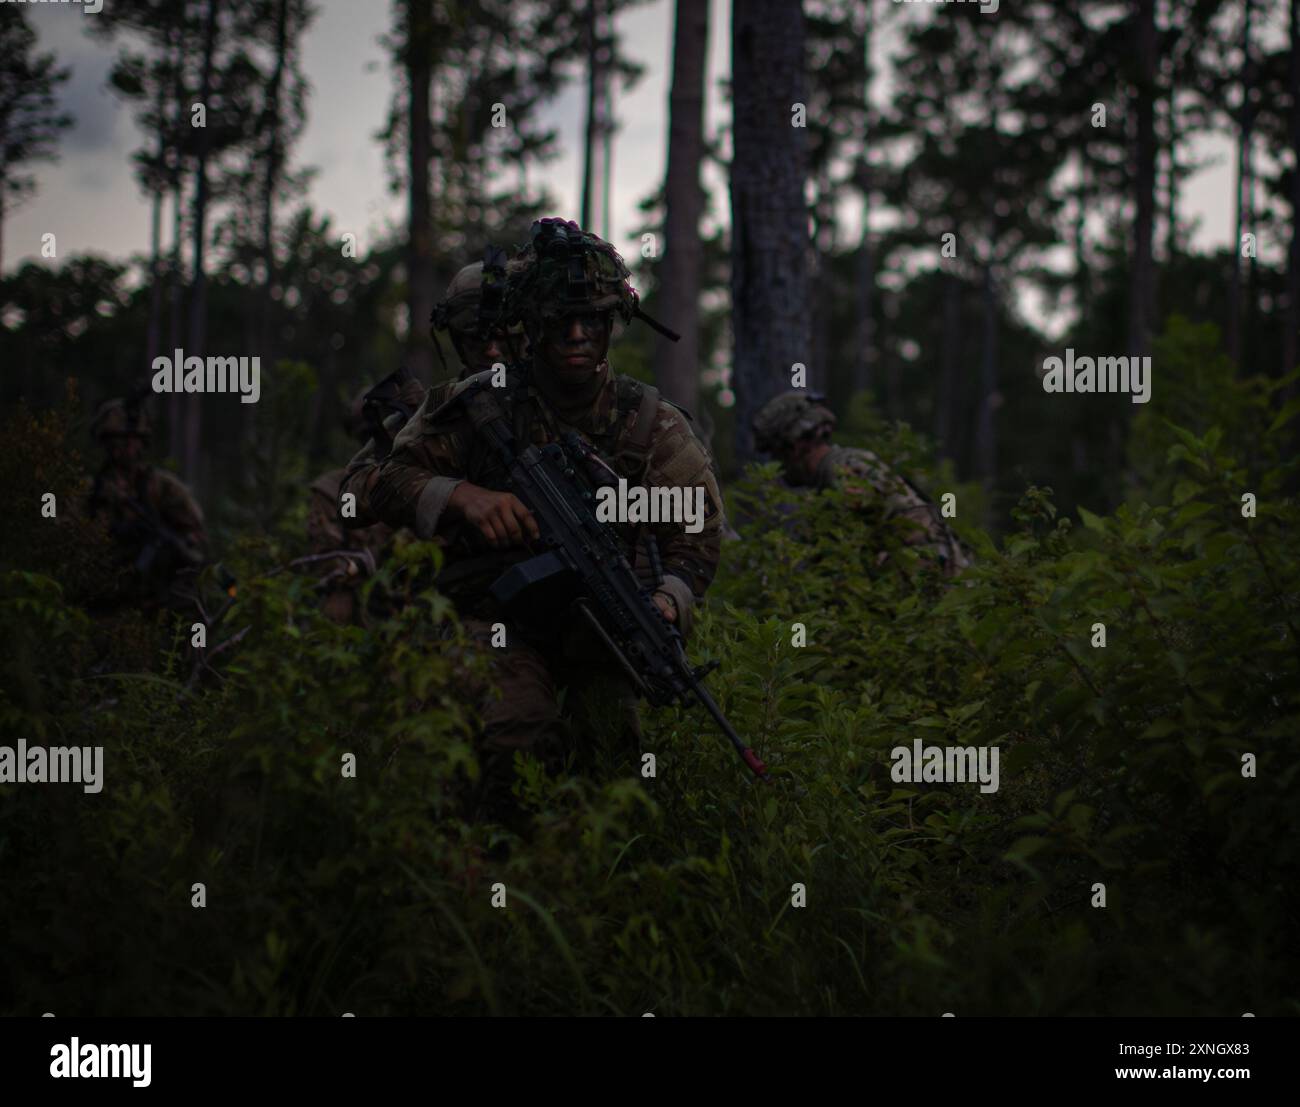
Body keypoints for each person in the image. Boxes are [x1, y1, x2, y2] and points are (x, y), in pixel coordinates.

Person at [365, 218, 724, 822]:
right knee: (519, 734)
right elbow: (385, 484)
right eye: (561, 321)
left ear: (613, 325)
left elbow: (698, 534)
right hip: (493, 620)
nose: (578, 335)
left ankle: (591, 893)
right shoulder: (483, 403)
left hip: (599, 628)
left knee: (614, 763)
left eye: (593, 321)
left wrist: (667, 600)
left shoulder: (648, 424)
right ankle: (493, 870)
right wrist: (464, 497)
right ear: (531, 326)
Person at [752, 390, 971, 577]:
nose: (778, 463)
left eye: (777, 452)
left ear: (796, 445)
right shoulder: (845, 466)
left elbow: (849, 552)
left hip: (930, 578)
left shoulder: (843, 473)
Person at [87, 396, 209, 607]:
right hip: (101, 595)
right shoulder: (90, 490)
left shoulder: (162, 486)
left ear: (141, 443)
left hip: (156, 598)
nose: (123, 448)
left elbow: (197, 536)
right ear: (105, 443)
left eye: (130, 440)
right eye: (116, 440)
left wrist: (181, 547)